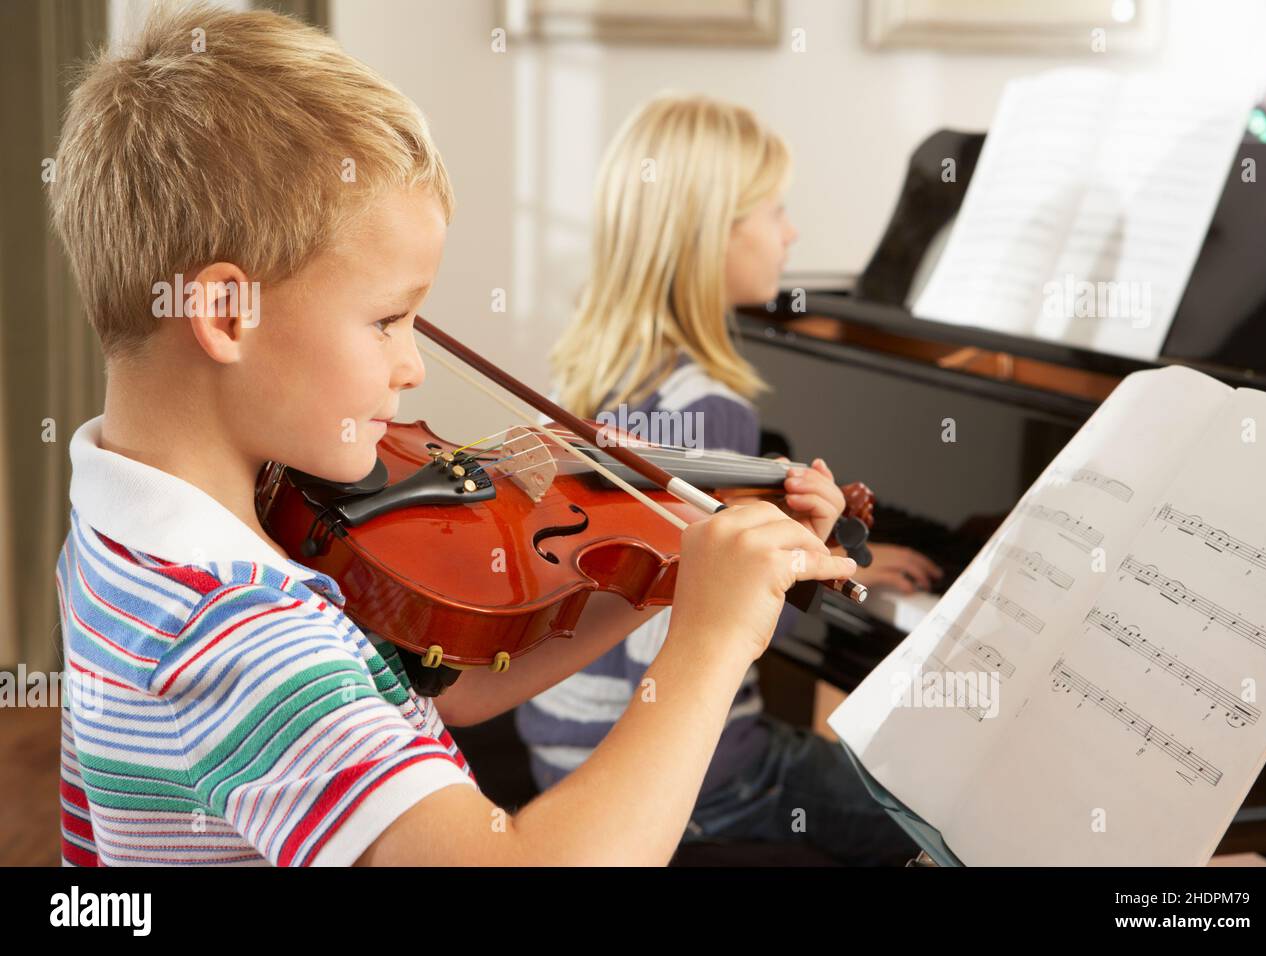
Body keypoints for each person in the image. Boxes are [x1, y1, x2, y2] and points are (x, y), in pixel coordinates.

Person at [50, 3, 858, 867]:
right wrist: (708, 645)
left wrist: (669, 564)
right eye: (390, 320)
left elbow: (456, 688)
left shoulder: (136, 532)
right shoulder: (242, 633)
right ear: (225, 314)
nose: (413, 367)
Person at [516, 94, 941, 865]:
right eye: (774, 210)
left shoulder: (600, 376)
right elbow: (688, 642)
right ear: (710, 234)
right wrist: (822, 572)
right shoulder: (708, 413)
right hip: (691, 782)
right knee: (930, 818)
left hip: (563, 752)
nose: (792, 233)